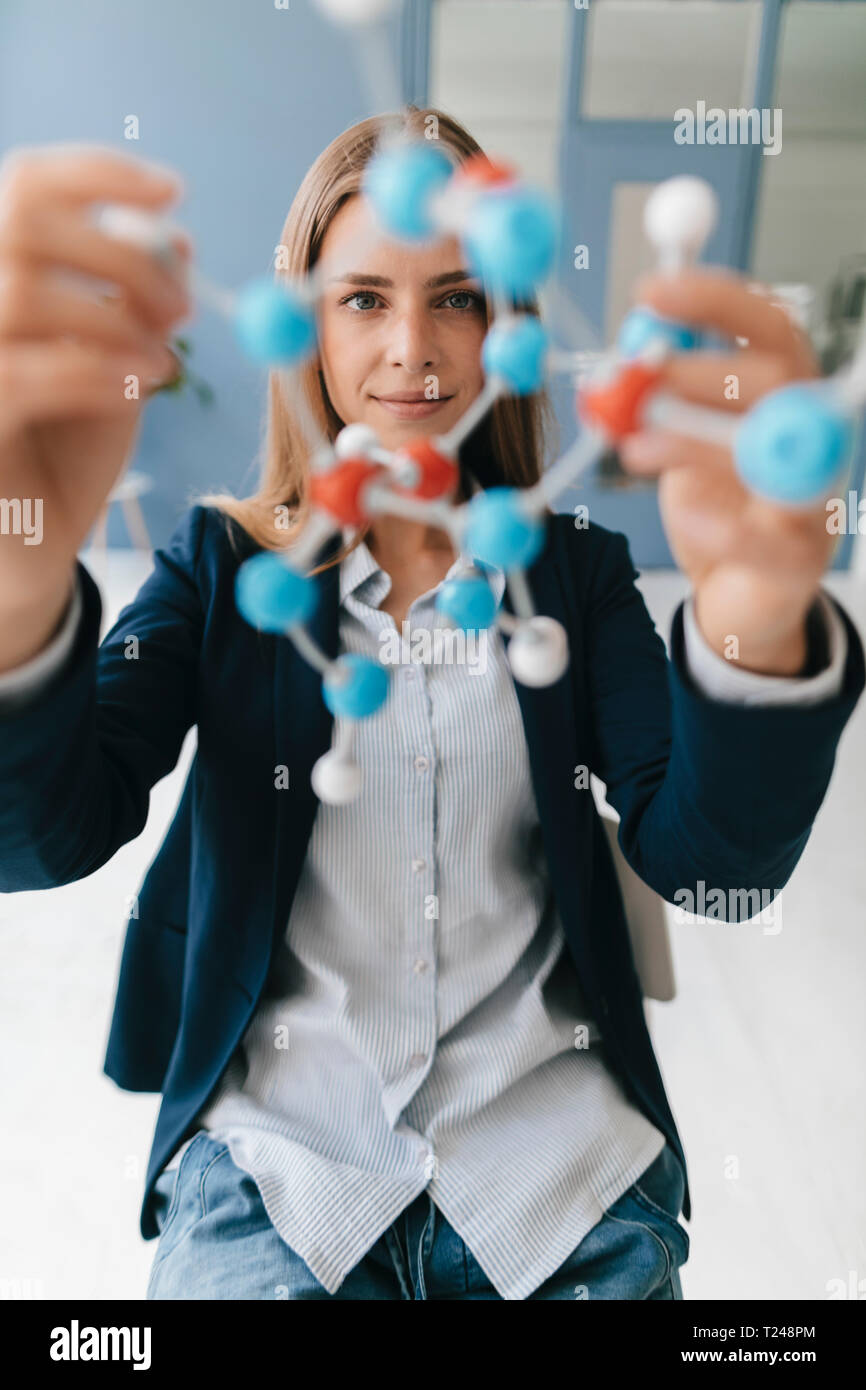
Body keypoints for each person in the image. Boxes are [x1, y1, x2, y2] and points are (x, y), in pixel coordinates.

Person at [0, 108, 861, 1302]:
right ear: (306, 324)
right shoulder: (220, 567)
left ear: (502, 322)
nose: (412, 348)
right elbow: (38, 838)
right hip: (281, 1171)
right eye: (362, 300)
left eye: (454, 298)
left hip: (555, 1177)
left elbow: (717, 864)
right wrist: (18, 579)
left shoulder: (573, 573)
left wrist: (760, 623)